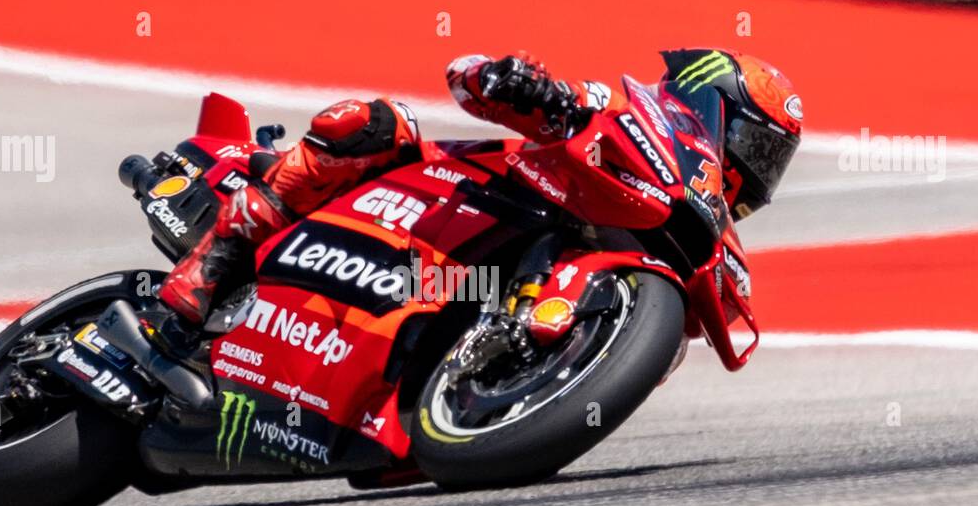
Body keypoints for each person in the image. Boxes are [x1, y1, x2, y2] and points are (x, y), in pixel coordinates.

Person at [155, 49, 802, 332]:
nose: (760, 167)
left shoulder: (707, 229)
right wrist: (517, 82)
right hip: (449, 199)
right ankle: (216, 261)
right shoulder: (621, 114)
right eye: (760, 144)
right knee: (378, 124)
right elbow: (463, 76)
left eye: (774, 159)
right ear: (714, 104)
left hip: (465, 286)